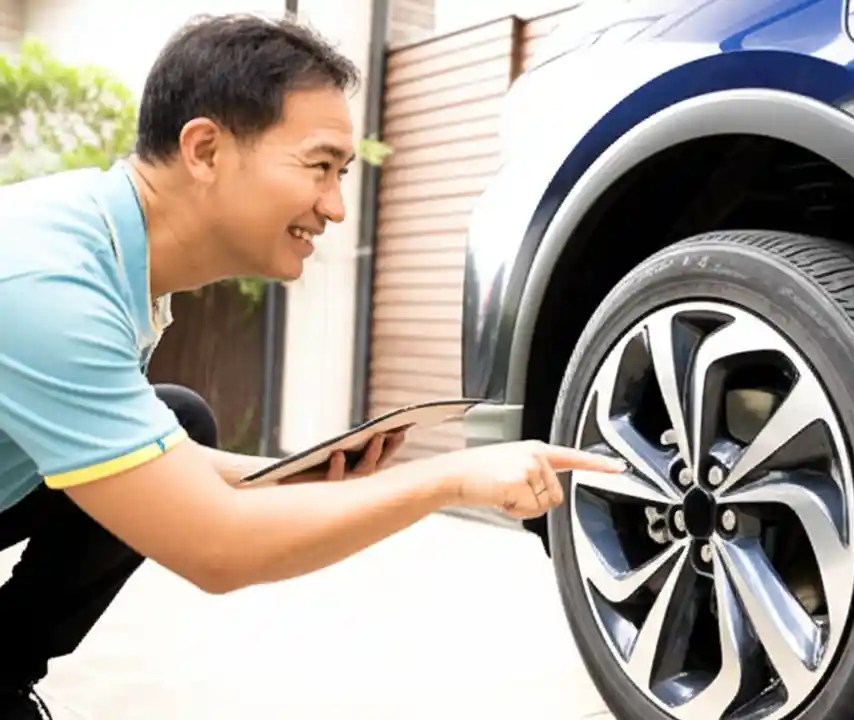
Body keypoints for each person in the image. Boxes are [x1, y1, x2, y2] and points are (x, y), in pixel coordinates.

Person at [0, 13, 624, 718]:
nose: (333, 207)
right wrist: (448, 479)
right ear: (205, 149)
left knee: (180, 421)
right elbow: (215, 547)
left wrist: (290, 475)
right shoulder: (48, 283)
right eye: (319, 166)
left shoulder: (113, 257)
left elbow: (144, 463)